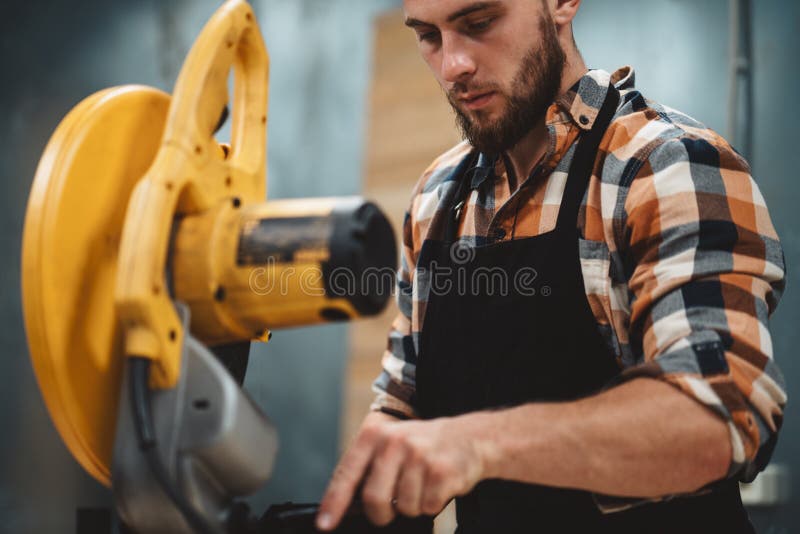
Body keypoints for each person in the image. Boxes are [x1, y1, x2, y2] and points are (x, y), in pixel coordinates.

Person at [317, 0, 787, 532]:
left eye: (479, 23)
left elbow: (722, 414)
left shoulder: (664, 166)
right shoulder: (436, 199)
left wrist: (480, 444)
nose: (453, 66)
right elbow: (400, 408)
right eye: (429, 36)